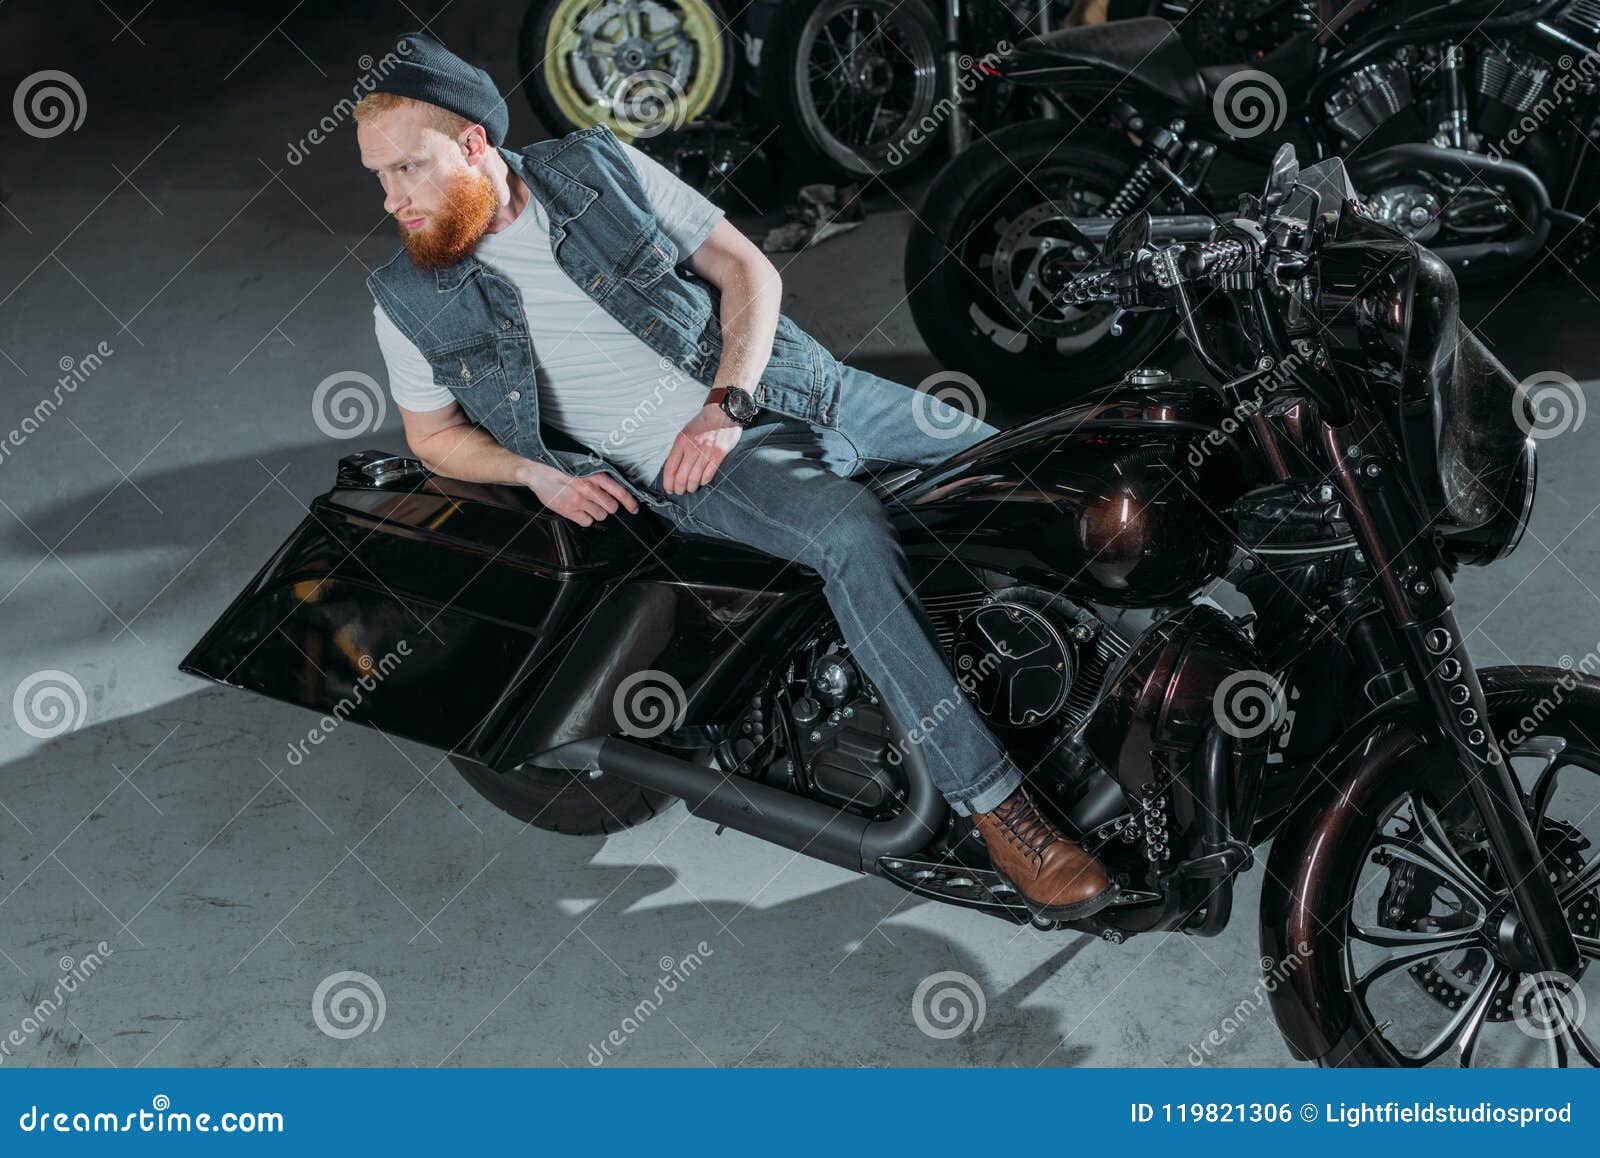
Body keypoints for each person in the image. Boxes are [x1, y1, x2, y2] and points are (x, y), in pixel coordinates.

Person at [353, 31, 1117, 922]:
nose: (392, 199)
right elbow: (435, 436)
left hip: (793, 388)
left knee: (1045, 471)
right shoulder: (407, 298)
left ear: (475, 145)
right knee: (849, 534)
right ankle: (999, 809)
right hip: (690, 469)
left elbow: (744, 269)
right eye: (379, 178)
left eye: (409, 169)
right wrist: (535, 472)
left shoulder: (596, 165)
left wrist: (732, 402)